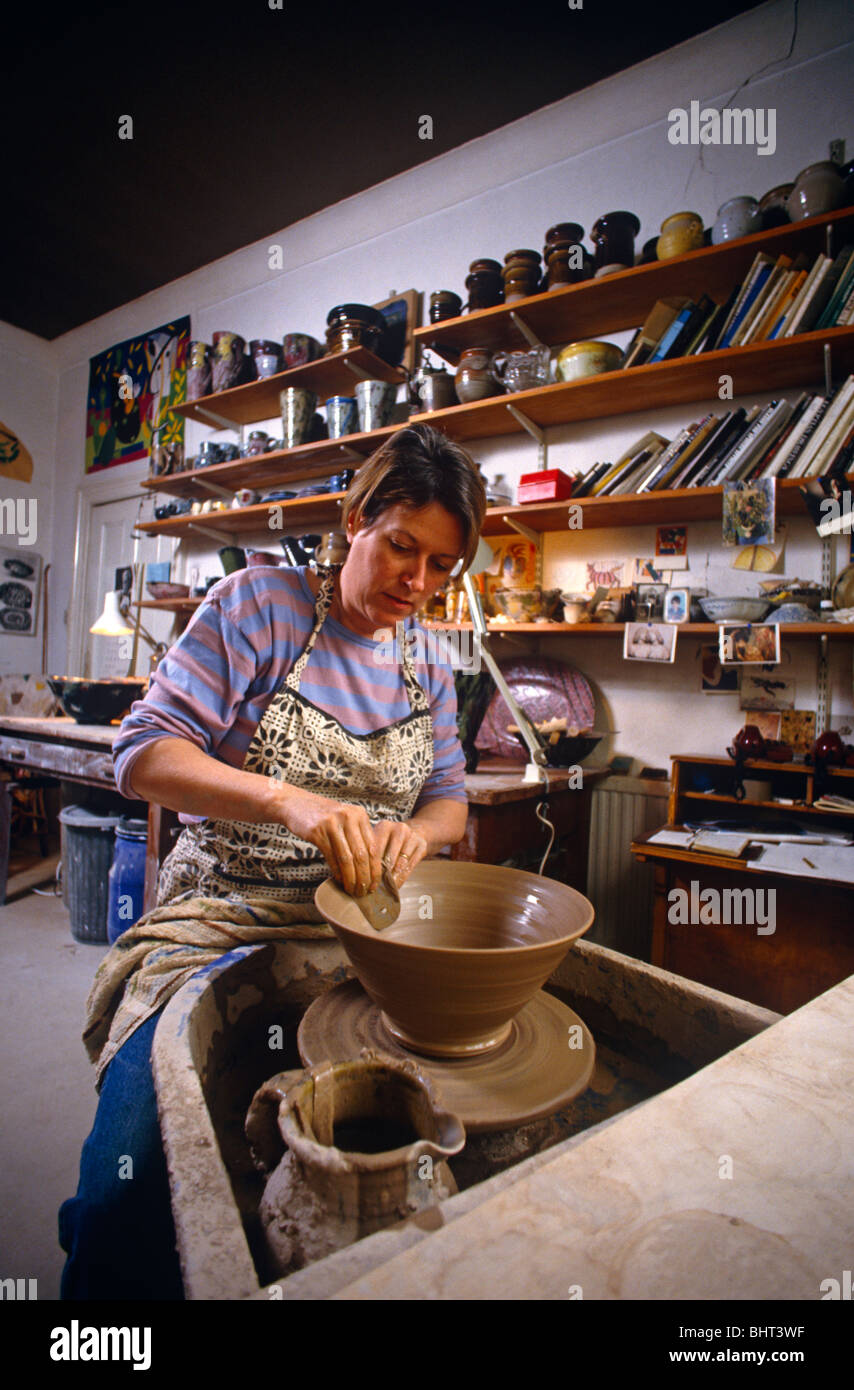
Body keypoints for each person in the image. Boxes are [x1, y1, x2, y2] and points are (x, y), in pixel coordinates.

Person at [58, 424, 486, 1299]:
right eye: (403, 547)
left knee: (423, 1167)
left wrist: (423, 835)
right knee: (128, 1193)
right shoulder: (261, 606)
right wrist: (288, 799)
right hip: (222, 914)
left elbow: (451, 797)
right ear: (355, 518)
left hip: (360, 935)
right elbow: (142, 754)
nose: (418, 582)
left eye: (443, 566)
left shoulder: (431, 665)